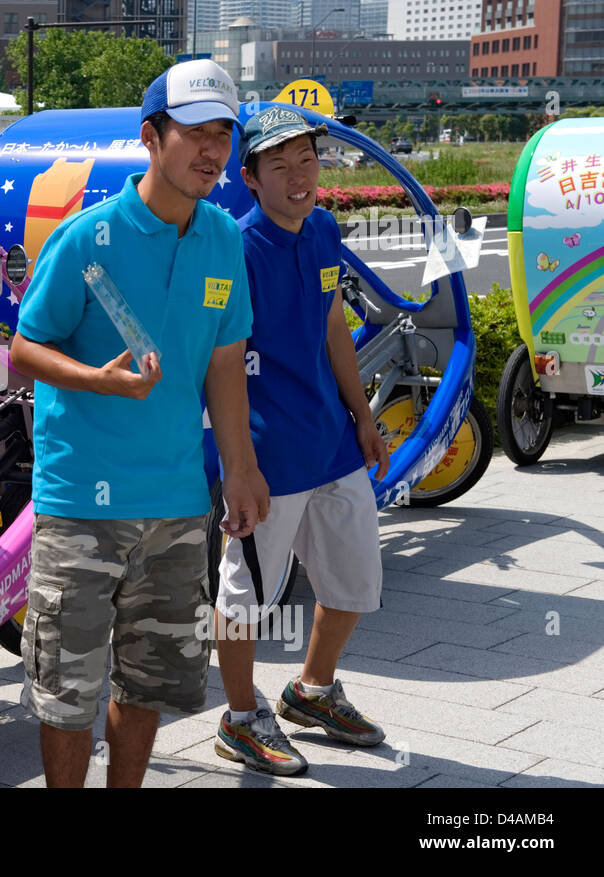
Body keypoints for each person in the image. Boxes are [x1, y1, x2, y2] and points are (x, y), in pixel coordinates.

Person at [10, 59, 270, 789]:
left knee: (149, 680)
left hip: (178, 503)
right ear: (152, 138)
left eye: (223, 134)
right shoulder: (87, 238)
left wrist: (242, 469)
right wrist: (96, 379)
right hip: (81, 506)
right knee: (67, 690)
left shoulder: (223, 239)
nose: (212, 150)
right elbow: (25, 346)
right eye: (195, 134)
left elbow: (225, 364)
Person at [212, 105, 393, 777]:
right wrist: (237, 461)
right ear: (250, 177)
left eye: (307, 161)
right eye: (280, 166)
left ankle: (311, 691)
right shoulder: (231, 248)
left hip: (332, 442)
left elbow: (332, 324)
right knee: (244, 595)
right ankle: (238, 717)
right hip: (265, 455)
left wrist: (364, 414)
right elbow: (218, 359)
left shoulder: (322, 228)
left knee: (354, 580)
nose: (298, 177)